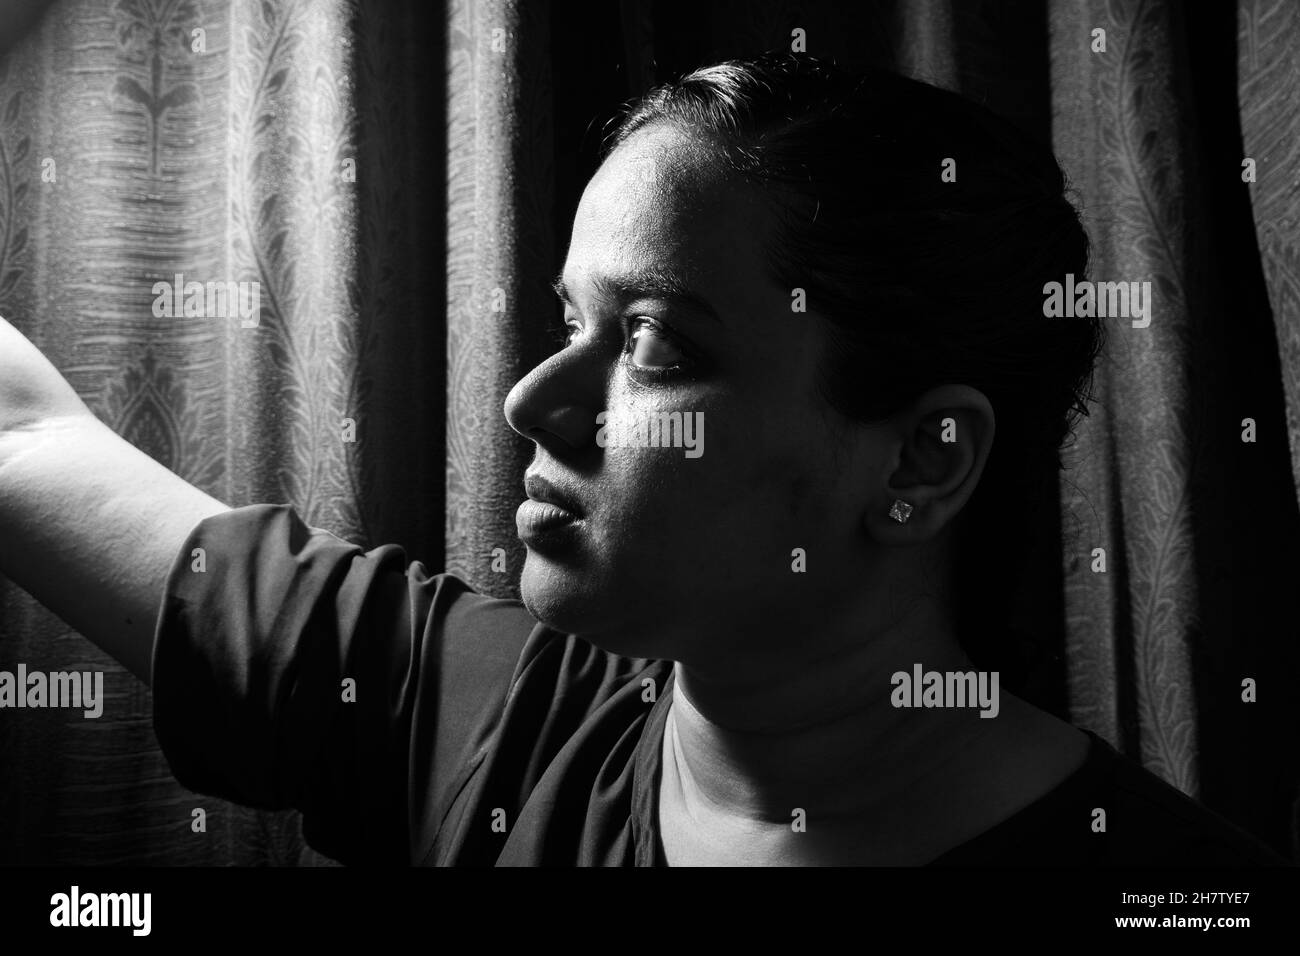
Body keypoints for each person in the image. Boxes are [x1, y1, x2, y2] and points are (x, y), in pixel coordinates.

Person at [0, 52, 1287, 866]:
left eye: (655, 342)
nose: (528, 400)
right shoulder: (470, 712)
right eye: (573, 320)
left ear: (922, 458)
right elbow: (23, 434)